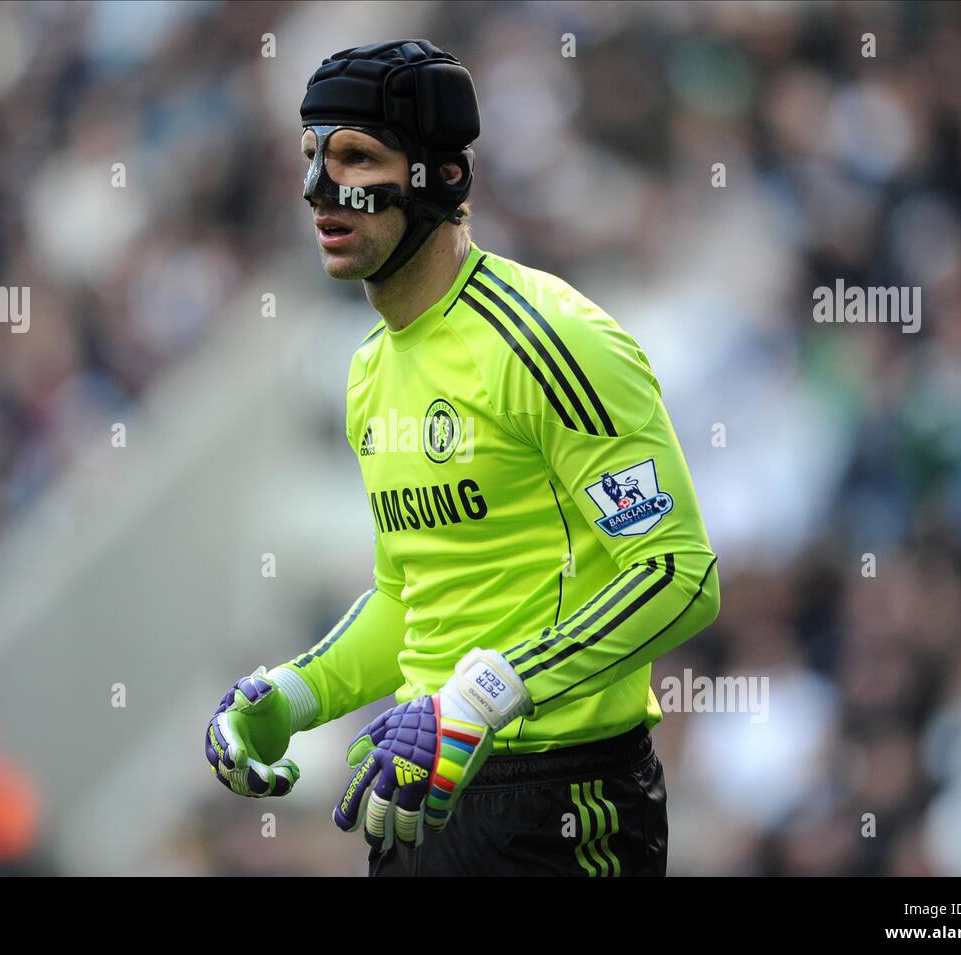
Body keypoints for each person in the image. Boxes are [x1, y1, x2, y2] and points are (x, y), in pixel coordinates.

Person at [206, 39, 720, 876]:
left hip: (563, 799)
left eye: (356, 157)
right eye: (310, 158)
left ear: (441, 177)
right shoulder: (371, 369)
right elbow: (412, 599)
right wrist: (294, 695)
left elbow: (678, 574)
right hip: (414, 787)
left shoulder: (553, 338)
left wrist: (479, 699)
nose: (317, 191)